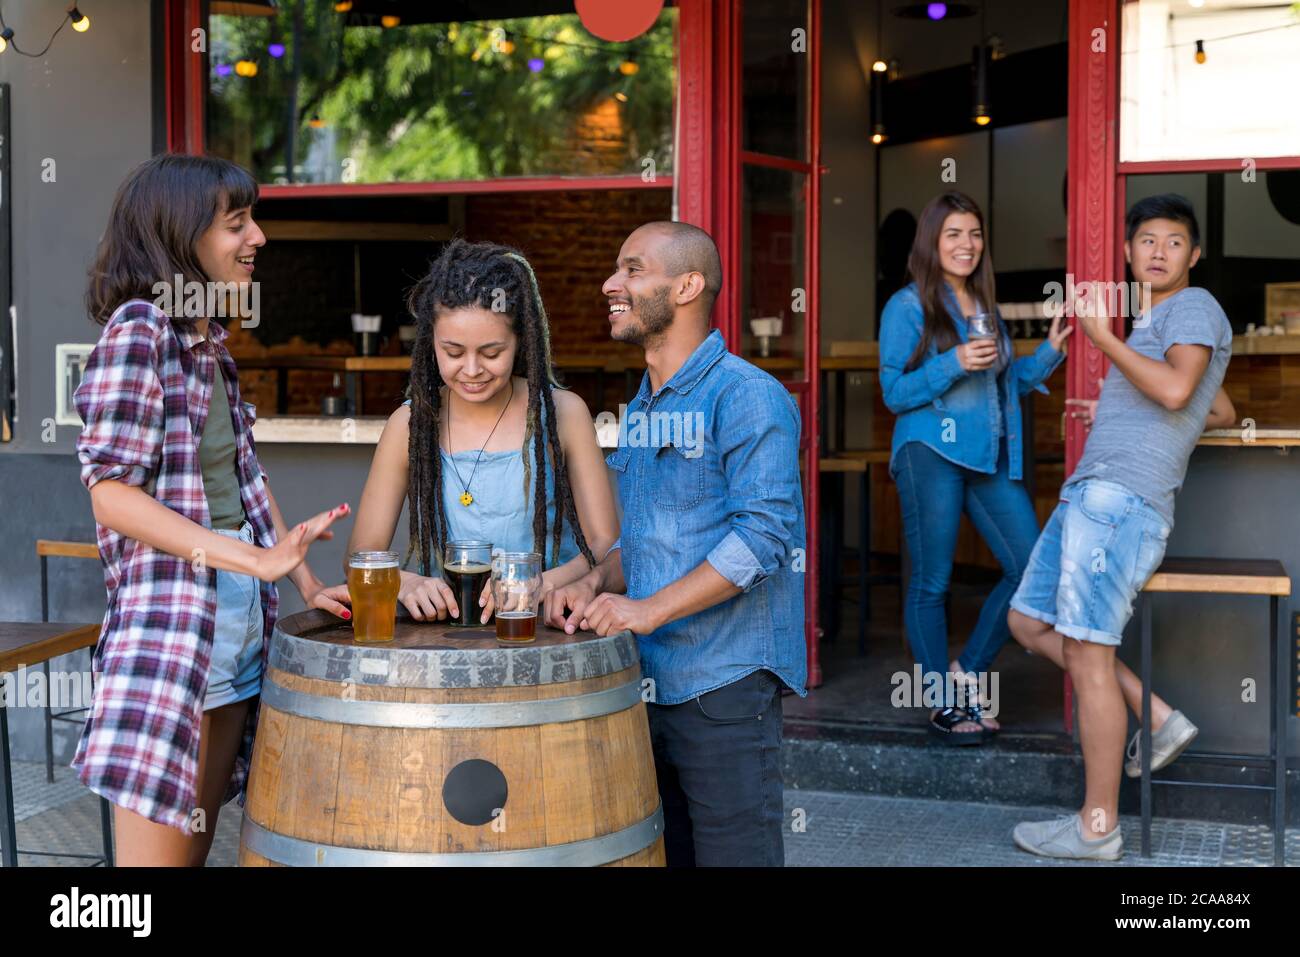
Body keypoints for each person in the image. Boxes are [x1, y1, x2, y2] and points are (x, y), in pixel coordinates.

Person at [73, 154, 348, 866]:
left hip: (232, 623)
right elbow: (109, 492)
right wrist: (253, 558)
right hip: (171, 633)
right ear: (178, 236)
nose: (256, 237)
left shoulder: (206, 345)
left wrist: (305, 581)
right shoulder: (141, 330)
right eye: (236, 223)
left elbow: (242, 478)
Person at [546, 221, 807, 867]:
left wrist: (647, 609)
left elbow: (763, 539)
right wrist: (595, 582)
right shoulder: (645, 405)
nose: (611, 283)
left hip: (723, 687)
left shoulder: (747, 396)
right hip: (645, 684)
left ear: (687, 285)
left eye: (632, 269)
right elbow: (653, 540)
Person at [1008, 193, 1235, 860]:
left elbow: (1172, 392)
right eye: (1146, 240)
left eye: (1173, 241)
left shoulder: (1194, 307)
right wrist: (1145, 398)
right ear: (1130, 252)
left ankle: (1097, 826)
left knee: (1090, 657)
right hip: (1093, 495)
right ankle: (1157, 716)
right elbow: (1210, 404)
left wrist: (1104, 340)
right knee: (1029, 623)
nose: (1158, 250)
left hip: (1120, 503)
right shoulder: (1163, 321)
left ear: (1193, 255)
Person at [879, 191, 1071, 744]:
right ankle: (940, 702)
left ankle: (966, 674)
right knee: (932, 581)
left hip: (986, 456)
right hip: (929, 453)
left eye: (975, 234)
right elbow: (894, 392)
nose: (967, 245)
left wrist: (1050, 351)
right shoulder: (908, 305)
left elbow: (1002, 383)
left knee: (1031, 566)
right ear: (932, 243)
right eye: (954, 235)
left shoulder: (984, 304)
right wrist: (952, 361)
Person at [344, 239, 618, 623]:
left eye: (492, 353)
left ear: (520, 340)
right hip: (443, 639)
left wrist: (542, 582)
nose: (472, 370)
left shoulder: (562, 414)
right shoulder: (410, 424)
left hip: (546, 629)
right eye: (453, 352)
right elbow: (360, 557)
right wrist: (404, 582)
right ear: (429, 344)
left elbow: (604, 542)